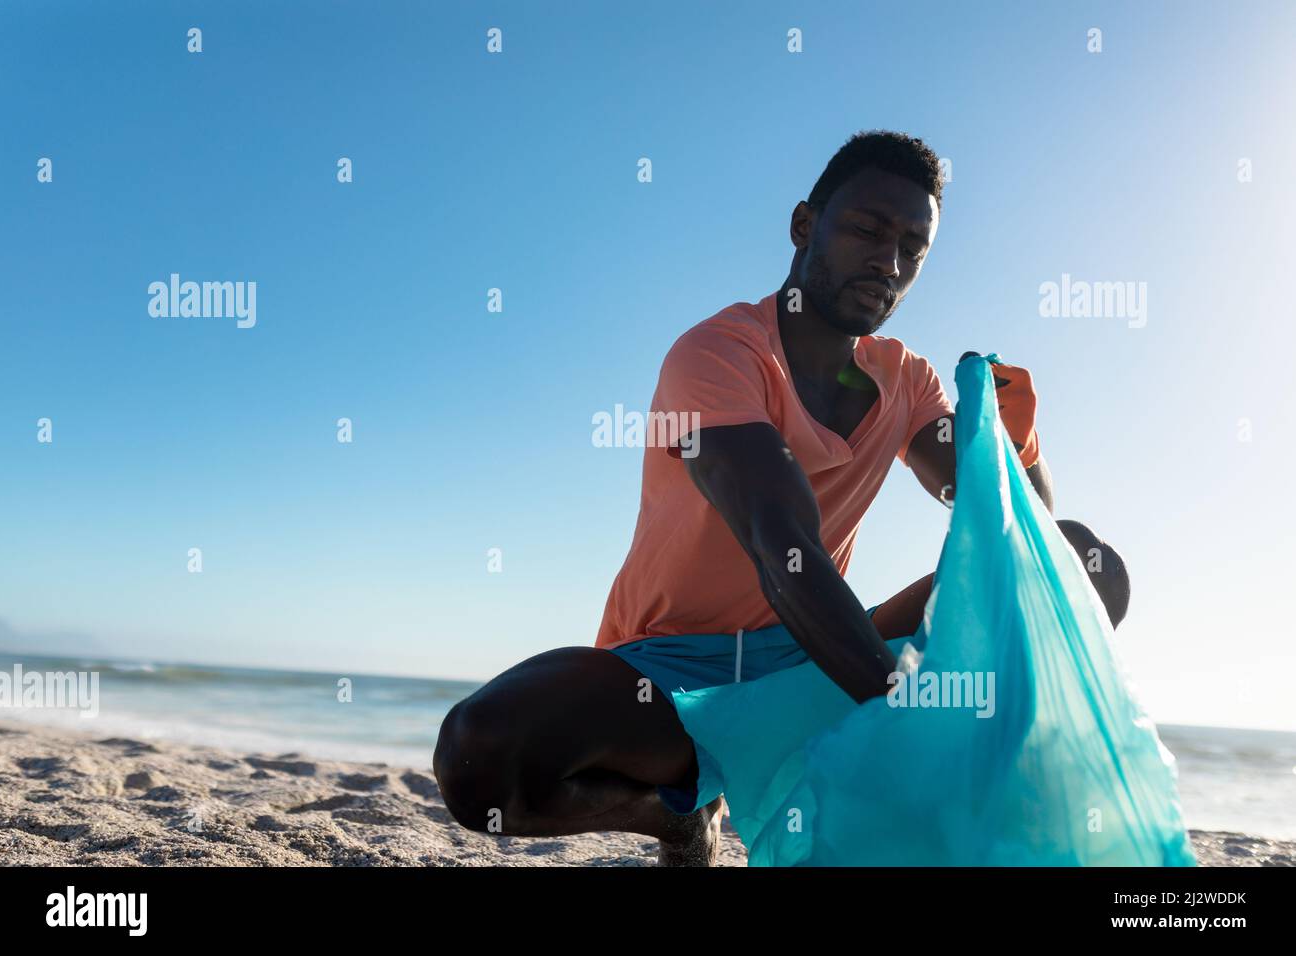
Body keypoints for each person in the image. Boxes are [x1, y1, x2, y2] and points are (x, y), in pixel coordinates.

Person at [432, 130, 1131, 865]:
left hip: (806, 663)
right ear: (805, 225)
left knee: (1081, 562)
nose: (888, 263)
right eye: (867, 230)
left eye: (912, 248)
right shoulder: (719, 353)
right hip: (668, 674)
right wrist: (902, 709)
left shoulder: (907, 379)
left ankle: (896, 782)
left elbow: (1019, 537)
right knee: (483, 759)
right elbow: (782, 545)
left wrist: (1012, 445)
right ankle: (678, 814)